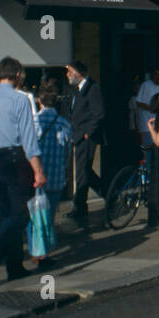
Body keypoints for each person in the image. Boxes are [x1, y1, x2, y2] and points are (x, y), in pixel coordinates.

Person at [0, 57, 46, 284]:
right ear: (17, 76)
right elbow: (28, 139)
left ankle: (14, 266)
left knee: (5, 216)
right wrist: (38, 170)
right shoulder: (20, 100)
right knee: (22, 214)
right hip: (15, 159)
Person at [29, 82, 73, 264]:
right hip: (55, 178)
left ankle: (35, 251)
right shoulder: (64, 123)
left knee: (33, 216)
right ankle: (45, 252)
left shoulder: (32, 122)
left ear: (39, 100)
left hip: (35, 178)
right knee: (49, 215)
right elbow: (67, 154)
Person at [64, 61, 105, 224]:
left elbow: (98, 113)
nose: (67, 75)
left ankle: (80, 207)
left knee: (82, 171)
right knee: (85, 170)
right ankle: (109, 193)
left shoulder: (92, 88)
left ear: (78, 73)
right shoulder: (78, 90)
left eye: (69, 72)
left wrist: (88, 133)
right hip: (78, 135)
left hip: (86, 137)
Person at [135, 68, 159, 152]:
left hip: (158, 124)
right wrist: (152, 108)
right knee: (147, 150)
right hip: (146, 124)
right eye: (157, 74)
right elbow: (138, 102)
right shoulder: (146, 85)